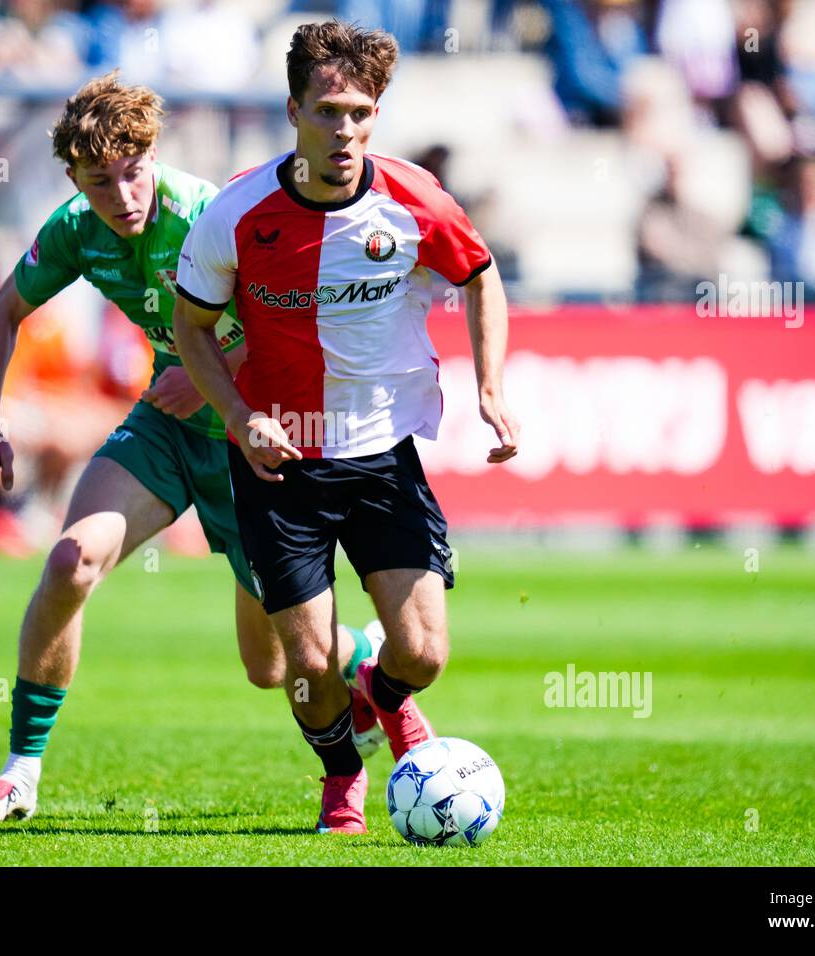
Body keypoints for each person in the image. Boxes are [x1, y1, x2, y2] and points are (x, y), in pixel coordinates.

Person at [0, 70, 392, 824]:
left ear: (152, 156)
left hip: (252, 438)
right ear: (74, 178)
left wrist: (208, 373)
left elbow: (291, 324)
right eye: (100, 181)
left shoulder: (207, 215)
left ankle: (361, 658)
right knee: (69, 561)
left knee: (270, 668)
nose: (122, 196)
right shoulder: (75, 230)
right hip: (165, 426)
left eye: (132, 172)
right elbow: (2, 314)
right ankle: (20, 773)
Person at [172, 20, 519, 834]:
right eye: (328, 111)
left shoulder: (415, 198)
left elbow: (480, 274)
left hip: (382, 457)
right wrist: (239, 415)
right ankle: (340, 774)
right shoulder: (237, 213)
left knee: (424, 652)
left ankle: (384, 699)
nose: (346, 130)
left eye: (362, 112)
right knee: (306, 666)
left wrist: (492, 387)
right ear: (294, 110)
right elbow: (193, 328)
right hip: (279, 464)